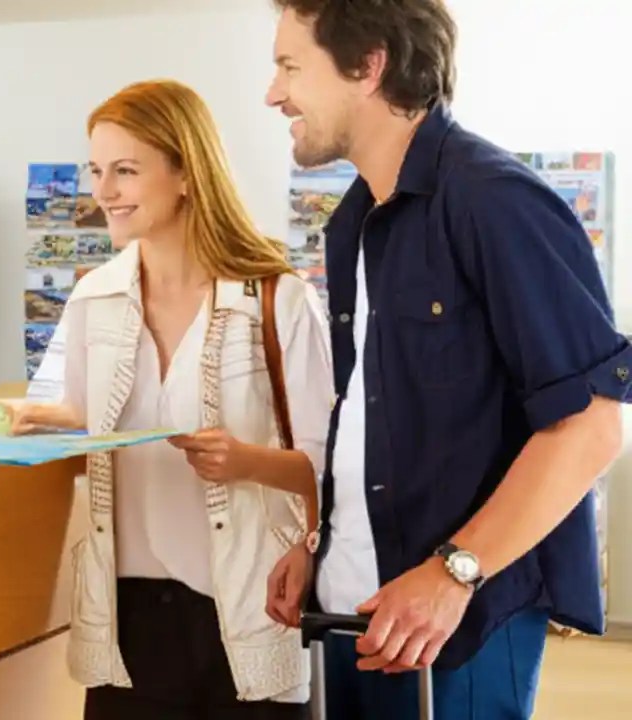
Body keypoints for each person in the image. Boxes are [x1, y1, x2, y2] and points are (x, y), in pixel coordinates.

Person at [262, 2, 629, 718]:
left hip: (455, 625)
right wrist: (320, 541)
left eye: (289, 67)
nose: (273, 94)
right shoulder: (353, 224)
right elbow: (370, 418)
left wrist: (453, 574)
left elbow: (590, 427)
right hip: (351, 611)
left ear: (369, 65)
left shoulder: (496, 201)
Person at [12, 79, 334, 719]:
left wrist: (245, 462)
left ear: (187, 173)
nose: (103, 192)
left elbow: (329, 468)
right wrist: (10, 422)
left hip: (247, 606)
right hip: (125, 616)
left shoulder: (277, 299)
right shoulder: (92, 299)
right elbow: (76, 418)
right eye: (97, 171)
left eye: (125, 171)